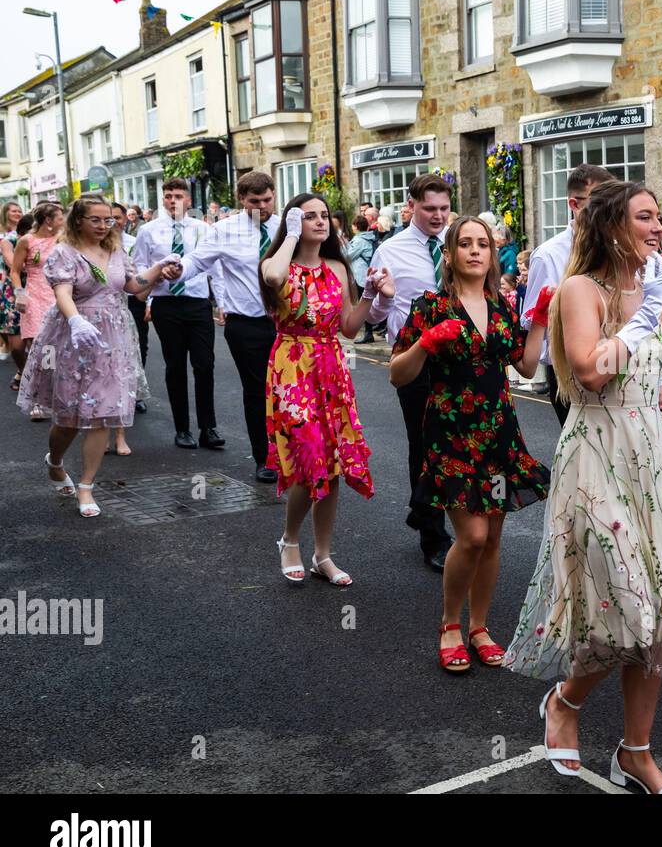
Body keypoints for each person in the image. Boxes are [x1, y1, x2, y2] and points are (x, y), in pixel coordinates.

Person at [505, 180, 662, 792]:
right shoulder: (578, 290)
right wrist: (645, 316)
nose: (658, 228)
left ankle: (635, 752)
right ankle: (566, 702)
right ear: (612, 224)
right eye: (645, 217)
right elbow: (590, 371)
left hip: (648, 458)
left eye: (658, 218)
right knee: (627, 608)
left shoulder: (649, 292)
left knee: (661, 613)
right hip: (595, 456)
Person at [390, 215, 549, 672]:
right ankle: (450, 624)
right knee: (472, 535)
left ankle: (479, 627)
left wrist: (537, 321)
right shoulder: (431, 306)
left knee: (493, 537)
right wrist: (424, 342)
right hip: (452, 435)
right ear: (452, 254)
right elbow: (398, 373)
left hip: (498, 435)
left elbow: (527, 367)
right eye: (465, 244)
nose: (476, 251)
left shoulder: (500, 307)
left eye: (482, 243)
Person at [16, 197, 178, 516]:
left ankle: (87, 486)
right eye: (96, 220)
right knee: (69, 416)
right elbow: (62, 292)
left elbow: (132, 285)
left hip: (112, 337)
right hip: (72, 335)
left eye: (109, 221)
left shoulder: (117, 250)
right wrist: (76, 320)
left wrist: (160, 269)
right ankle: (55, 461)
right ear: (78, 221)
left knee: (104, 411)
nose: (104, 226)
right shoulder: (64, 252)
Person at [260, 195, 385, 585]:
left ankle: (323, 555)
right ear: (293, 222)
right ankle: (289, 539)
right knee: (305, 458)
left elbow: (349, 327)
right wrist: (291, 234)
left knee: (332, 465)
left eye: (323, 215)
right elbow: (275, 279)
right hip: (291, 368)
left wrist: (370, 293)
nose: (319, 221)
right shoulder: (276, 262)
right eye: (308, 216)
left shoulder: (336, 266)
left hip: (331, 369)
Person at [366, 173, 457, 570]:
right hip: (414, 356)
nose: (438, 216)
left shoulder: (459, 241)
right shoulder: (390, 251)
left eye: (443, 208)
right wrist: (383, 299)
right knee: (424, 442)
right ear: (412, 207)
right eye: (429, 209)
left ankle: (422, 505)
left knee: (456, 442)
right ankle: (433, 537)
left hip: (458, 357)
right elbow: (370, 315)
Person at [170, 171, 280, 482]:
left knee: (291, 392)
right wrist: (176, 269)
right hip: (247, 324)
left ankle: (295, 452)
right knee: (257, 392)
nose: (262, 206)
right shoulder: (223, 231)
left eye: (267, 199)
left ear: (274, 195)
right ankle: (265, 458)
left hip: (289, 324)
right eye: (254, 201)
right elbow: (197, 262)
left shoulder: (289, 228)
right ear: (242, 200)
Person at [134, 178, 225, 451]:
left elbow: (215, 268)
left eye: (178, 196)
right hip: (166, 303)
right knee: (175, 366)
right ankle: (182, 429)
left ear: (188, 201)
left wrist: (222, 304)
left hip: (197, 304)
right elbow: (139, 268)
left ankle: (208, 428)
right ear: (163, 200)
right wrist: (149, 297)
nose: (172, 200)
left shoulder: (202, 229)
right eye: (168, 196)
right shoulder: (148, 231)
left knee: (204, 363)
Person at [522, 163, 616, 424]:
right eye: (599, 201)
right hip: (569, 374)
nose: (608, 210)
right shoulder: (548, 255)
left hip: (618, 364)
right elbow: (534, 324)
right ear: (574, 204)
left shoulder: (620, 249)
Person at [12, 202, 65, 415]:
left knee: (54, 350)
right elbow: (15, 271)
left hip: (57, 295)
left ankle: (51, 395)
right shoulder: (26, 240)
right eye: (60, 218)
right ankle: (38, 400)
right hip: (34, 297)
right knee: (39, 348)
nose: (64, 221)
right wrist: (19, 293)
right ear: (48, 221)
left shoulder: (63, 240)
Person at [113, 202, 151, 414]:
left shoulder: (134, 242)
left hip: (134, 301)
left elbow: (143, 272)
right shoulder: (93, 246)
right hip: (109, 303)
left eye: (117, 218)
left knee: (138, 346)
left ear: (125, 219)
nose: (112, 223)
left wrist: (150, 301)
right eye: (107, 218)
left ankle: (135, 391)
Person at [1, 203, 26, 383]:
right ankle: (24, 371)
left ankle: (35, 378)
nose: (17, 213)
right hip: (9, 286)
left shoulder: (32, 235)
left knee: (41, 341)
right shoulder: (6, 238)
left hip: (36, 289)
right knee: (16, 344)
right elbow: (13, 265)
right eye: (13, 211)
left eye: (19, 211)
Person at [347, 214, 379, 344]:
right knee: (365, 304)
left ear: (355, 226)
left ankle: (368, 333)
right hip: (363, 275)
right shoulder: (367, 238)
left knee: (364, 305)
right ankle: (368, 332)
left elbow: (348, 256)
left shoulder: (359, 241)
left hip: (361, 276)